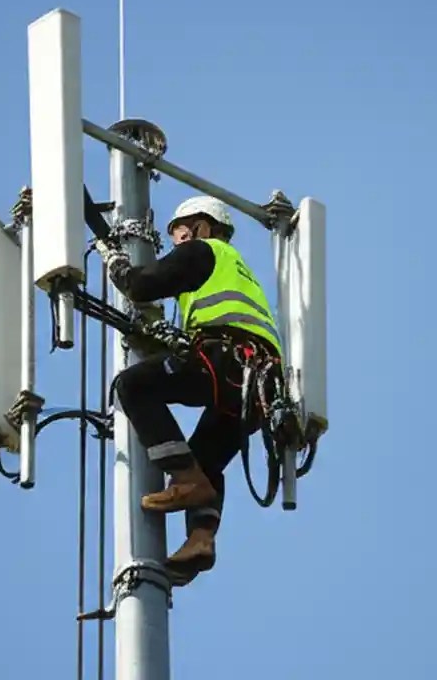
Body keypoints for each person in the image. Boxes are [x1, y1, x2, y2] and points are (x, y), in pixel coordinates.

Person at [95, 195, 283, 586]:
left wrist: (118, 266)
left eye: (181, 229)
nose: (177, 238)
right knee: (207, 459)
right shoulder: (236, 269)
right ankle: (201, 539)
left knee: (134, 385)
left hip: (226, 359)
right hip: (259, 386)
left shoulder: (203, 251)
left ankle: (183, 479)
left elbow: (143, 286)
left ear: (203, 226)